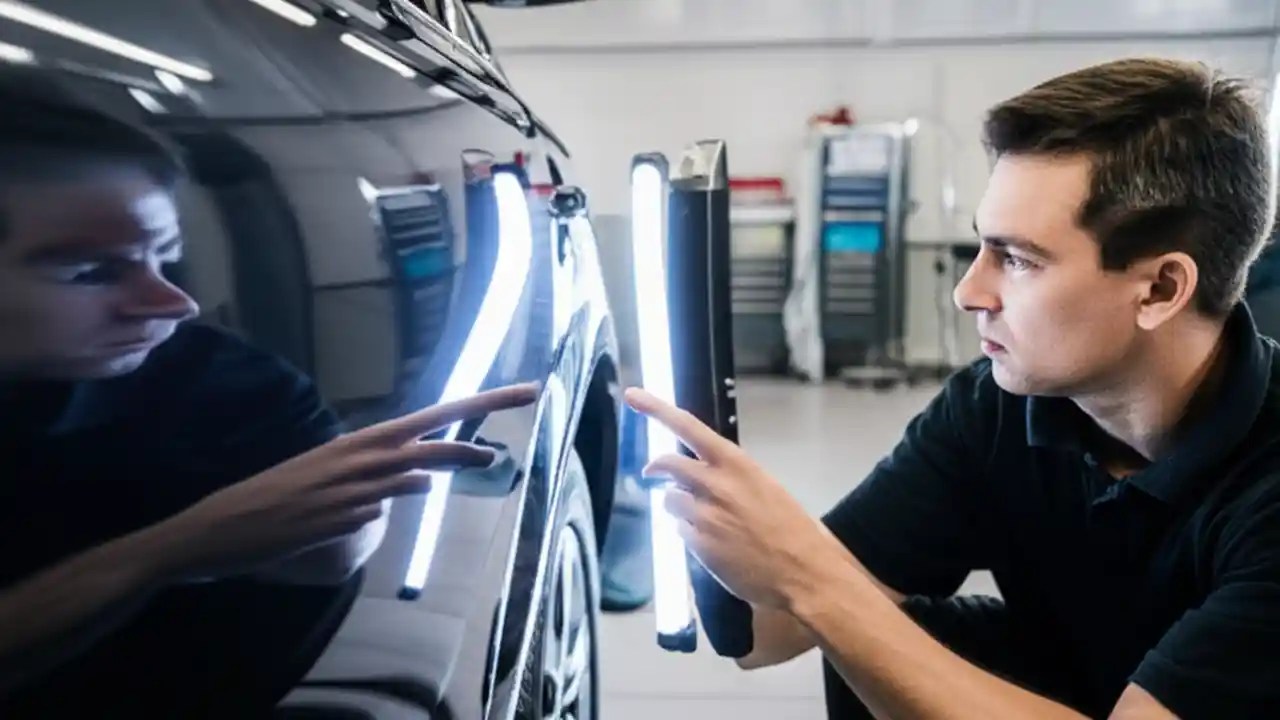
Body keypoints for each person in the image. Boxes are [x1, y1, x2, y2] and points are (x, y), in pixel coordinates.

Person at [629, 57, 1280, 719]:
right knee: (878, 630)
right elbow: (767, 632)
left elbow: (815, 590)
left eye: (1018, 260)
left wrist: (810, 579)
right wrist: (709, 524)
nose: (968, 292)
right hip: (1090, 676)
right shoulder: (998, 408)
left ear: (1162, 289)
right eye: (982, 248)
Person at [0, 70, 536, 715]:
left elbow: (330, 559)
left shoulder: (217, 384)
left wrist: (344, 510)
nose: (174, 301)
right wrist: (171, 549)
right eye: (90, 273)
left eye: (165, 258)